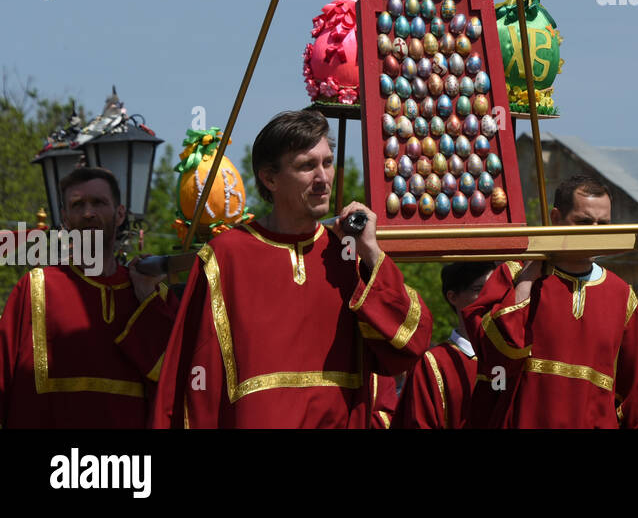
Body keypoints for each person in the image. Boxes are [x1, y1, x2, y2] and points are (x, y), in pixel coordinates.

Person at [152, 109, 432, 428]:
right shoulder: (225, 257)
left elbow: (410, 344)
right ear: (269, 178)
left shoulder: (349, 254)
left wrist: (370, 251)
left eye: (326, 163)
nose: (323, 179)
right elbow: (191, 384)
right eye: (306, 166)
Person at [464, 175, 638, 429]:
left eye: (602, 224)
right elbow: (496, 354)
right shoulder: (513, 275)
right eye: (584, 222)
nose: (595, 232)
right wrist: (527, 281)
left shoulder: (622, 295)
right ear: (556, 218)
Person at [0, 167, 177, 428]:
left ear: (119, 214)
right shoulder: (35, 287)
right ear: (65, 218)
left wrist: (146, 297)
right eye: (77, 204)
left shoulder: (155, 295)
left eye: (98, 202)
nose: (88, 213)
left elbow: (179, 385)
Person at [396, 261, 494, 429]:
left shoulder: (512, 355)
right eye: (479, 290)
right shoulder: (433, 362)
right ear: (453, 297)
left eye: (495, 289)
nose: (491, 297)